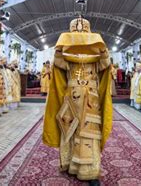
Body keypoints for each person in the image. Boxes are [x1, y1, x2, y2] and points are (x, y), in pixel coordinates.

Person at [43, 16, 112, 184]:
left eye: (83, 32)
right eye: (77, 32)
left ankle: (90, 170)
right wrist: (59, 50)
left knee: (90, 132)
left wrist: (103, 51)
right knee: (70, 130)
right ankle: (71, 165)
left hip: (91, 99)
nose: (80, 34)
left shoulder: (97, 54)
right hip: (71, 98)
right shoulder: (66, 55)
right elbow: (58, 64)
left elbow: (105, 65)